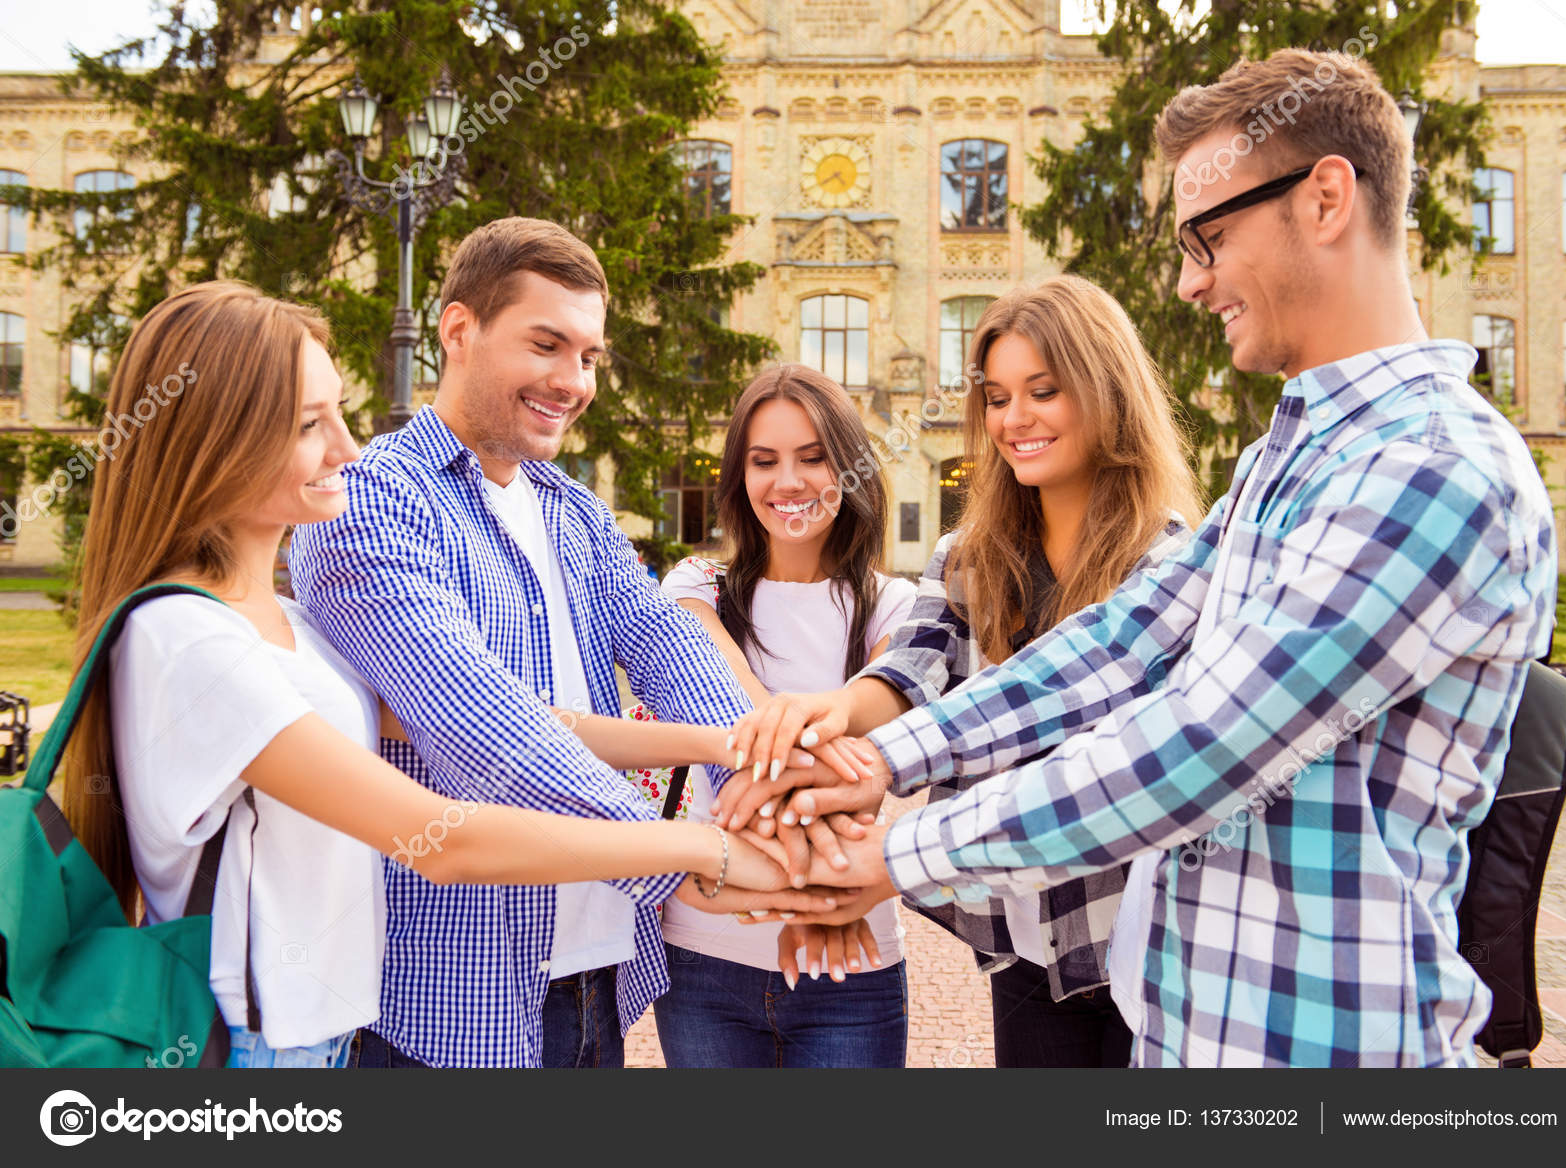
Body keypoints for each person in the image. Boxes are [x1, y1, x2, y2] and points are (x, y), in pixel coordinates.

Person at [723, 48, 1557, 1068]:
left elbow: (1204, 741)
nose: (1188, 279)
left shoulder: (1431, 468)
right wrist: (881, 759)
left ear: (1326, 197)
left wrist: (895, 852)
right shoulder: (1281, 459)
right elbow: (1114, 647)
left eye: (1207, 237)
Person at [59, 281, 836, 1070]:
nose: (347, 450)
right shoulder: (194, 638)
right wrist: (698, 852)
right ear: (213, 441)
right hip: (265, 1042)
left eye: (338, 415)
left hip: (348, 1030)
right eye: (307, 424)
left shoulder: (285, 628)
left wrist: (742, 752)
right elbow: (446, 833)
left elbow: (520, 716)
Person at [288, 217, 851, 1068]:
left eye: (590, 356)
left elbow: (673, 650)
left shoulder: (573, 508)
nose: (573, 380)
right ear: (458, 330)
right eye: (546, 345)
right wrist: (704, 858)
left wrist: (763, 786)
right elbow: (491, 737)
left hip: (596, 977)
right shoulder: (374, 504)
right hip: (450, 997)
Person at [723, 277, 1203, 1066]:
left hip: (1145, 934)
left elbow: (1091, 712)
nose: (1015, 420)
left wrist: (872, 833)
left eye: (1042, 392)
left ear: (1106, 391)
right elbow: (913, 670)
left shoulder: (1167, 560)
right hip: (1022, 933)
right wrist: (824, 720)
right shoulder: (969, 557)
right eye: (998, 397)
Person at [650, 365, 917, 1068]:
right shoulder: (695, 586)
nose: (787, 482)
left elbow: (869, 756)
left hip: (850, 952)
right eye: (763, 462)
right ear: (739, 477)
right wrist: (823, 757)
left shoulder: (895, 606)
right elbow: (746, 721)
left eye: (813, 457)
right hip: (706, 952)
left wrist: (822, 897)